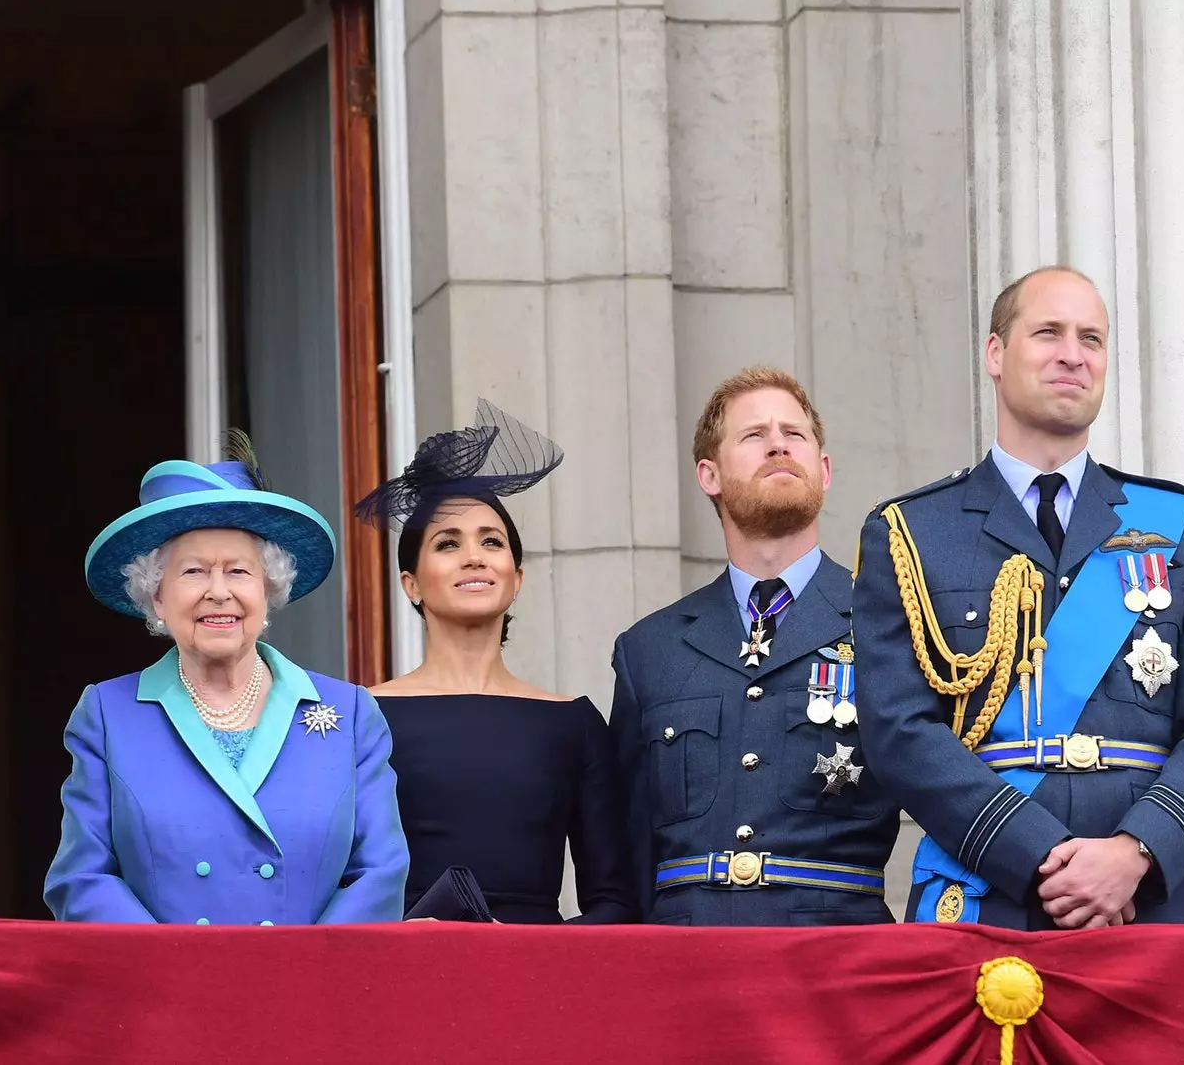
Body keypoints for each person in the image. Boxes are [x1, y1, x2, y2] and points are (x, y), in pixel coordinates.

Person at [851, 267, 1184, 929]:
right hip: (990, 891)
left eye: (1091, 338)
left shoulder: (1183, 524)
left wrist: (1134, 851)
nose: (1073, 353)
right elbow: (898, 732)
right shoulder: (912, 532)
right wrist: (1044, 852)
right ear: (995, 353)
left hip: (1143, 900)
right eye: (1049, 333)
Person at [47, 436, 408, 924]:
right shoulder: (108, 714)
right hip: (165, 989)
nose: (219, 592)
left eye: (239, 571)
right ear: (156, 598)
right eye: (193, 572)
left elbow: (380, 873)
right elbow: (82, 879)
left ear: (268, 589)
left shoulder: (352, 712)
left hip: (307, 988)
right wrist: (176, 971)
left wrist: (307, 972)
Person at [609, 368, 900, 925]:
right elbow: (628, 851)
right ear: (709, 474)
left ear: (825, 469)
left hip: (837, 960)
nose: (777, 445)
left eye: (795, 434)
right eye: (754, 435)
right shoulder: (649, 650)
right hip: (688, 966)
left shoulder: (890, 626)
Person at [359, 400, 634, 924]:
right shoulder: (363, 716)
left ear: (517, 576)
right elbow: (337, 881)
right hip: (401, 977)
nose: (474, 556)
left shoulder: (574, 722)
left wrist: (535, 956)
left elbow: (615, 900)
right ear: (410, 584)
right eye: (447, 543)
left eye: (492, 541)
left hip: (537, 983)